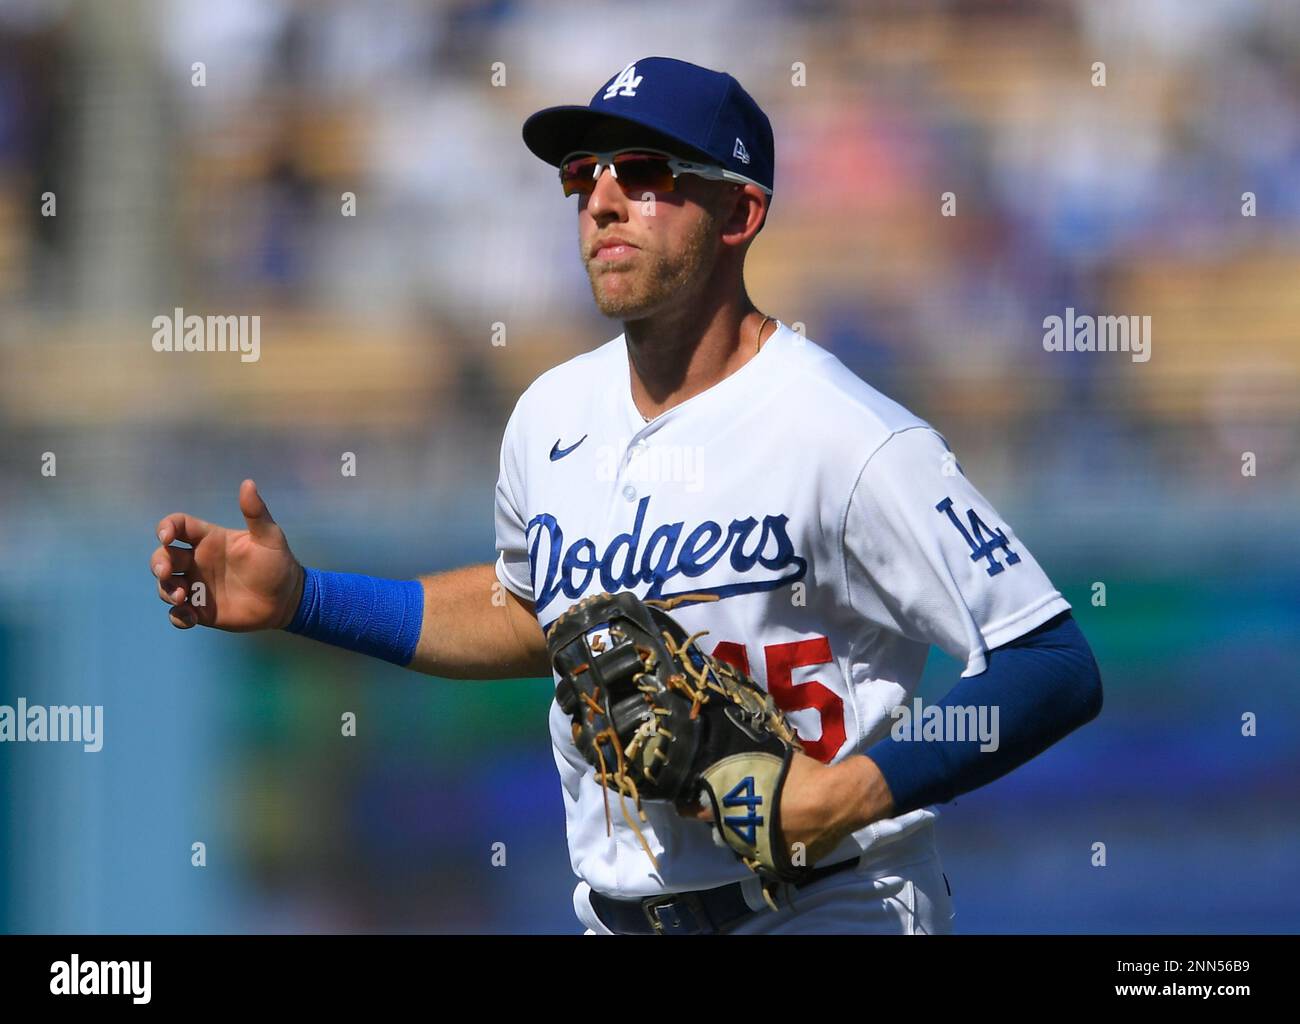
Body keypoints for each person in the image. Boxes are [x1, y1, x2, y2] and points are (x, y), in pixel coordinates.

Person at [150, 56, 1102, 935]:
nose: (603, 199)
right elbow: (533, 613)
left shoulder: (847, 434)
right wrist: (307, 602)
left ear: (739, 214)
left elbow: (1050, 661)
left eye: (646, 172)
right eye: (583, 175)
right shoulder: (550, 414)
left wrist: (852, 789)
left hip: (830, 906)